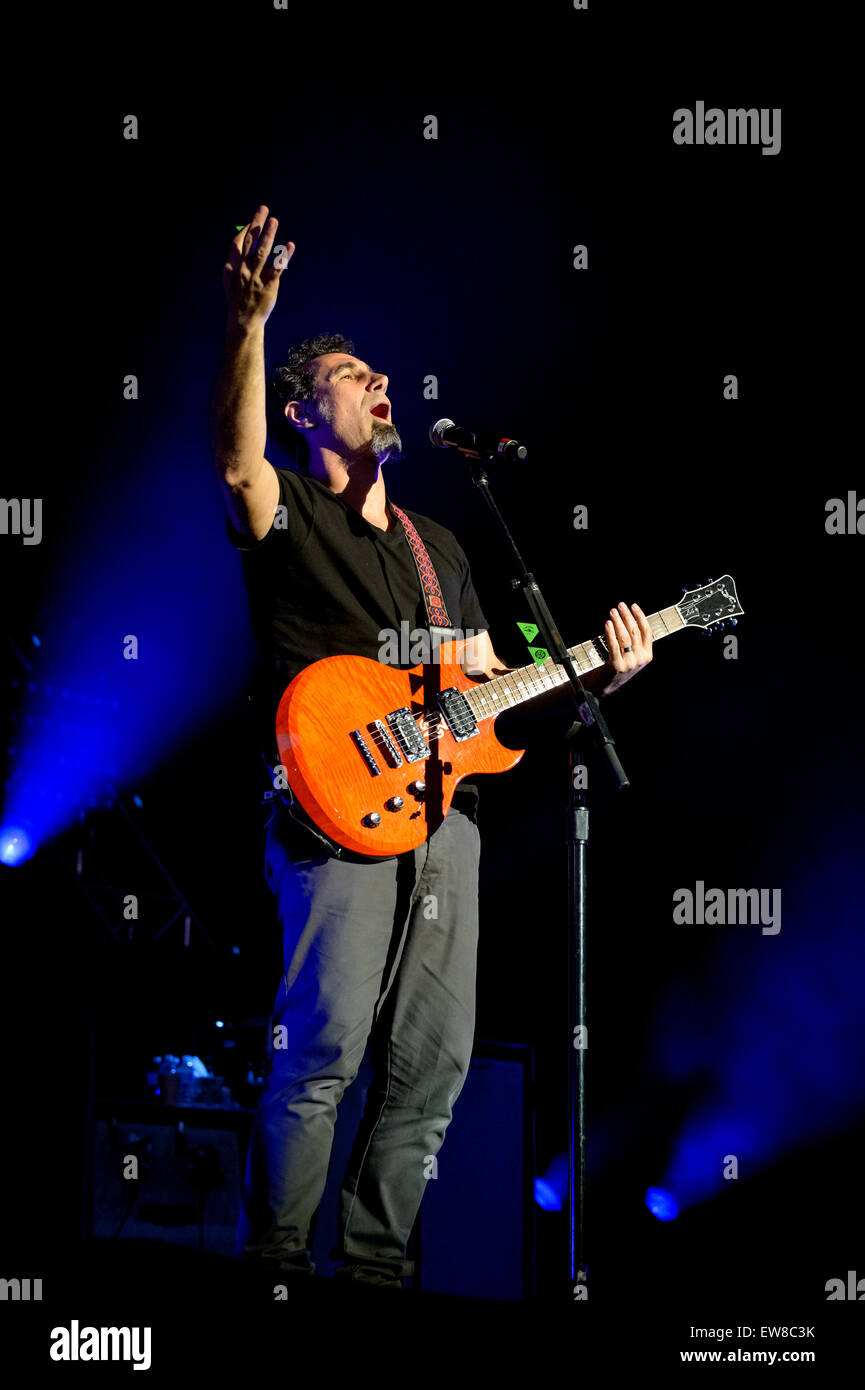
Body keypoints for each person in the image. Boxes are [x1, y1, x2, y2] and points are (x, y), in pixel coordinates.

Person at [212, 205, 654, 1292]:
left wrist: (598, 667)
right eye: (354, 374)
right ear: (302, 410)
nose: (380, 386)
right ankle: (273, 1266)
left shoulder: (439, 546)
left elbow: (490, 696)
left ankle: (373, 1270)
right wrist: (249, 321)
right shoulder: (293, 515)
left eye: (381, 375)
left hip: (443, 827)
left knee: (436, 1064)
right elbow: (236, 470)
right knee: (320, 1055)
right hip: (332, 811)